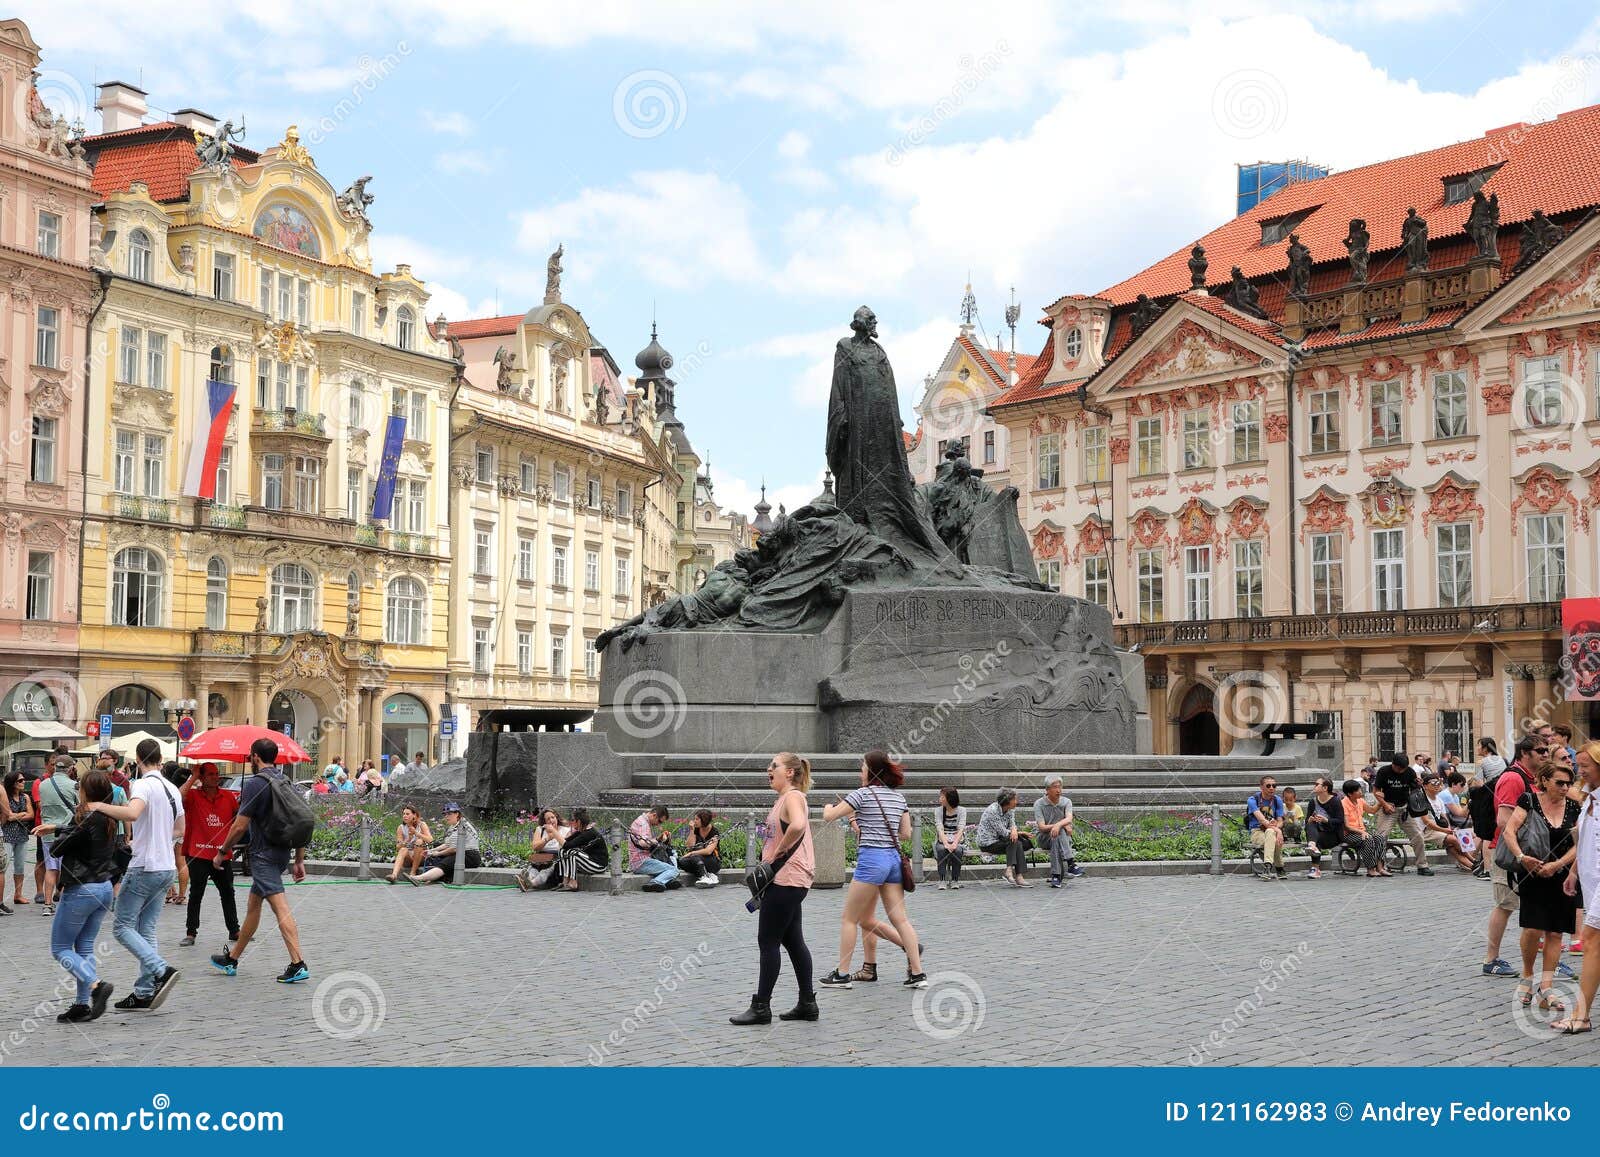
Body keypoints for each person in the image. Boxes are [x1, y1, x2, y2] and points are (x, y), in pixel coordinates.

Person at [88, 737, 184, 1011]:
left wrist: (99, 806)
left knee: (121, 927)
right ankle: (143, 992)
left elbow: (132, 813)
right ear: (159, 758)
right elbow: (180, 830)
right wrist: (157, 839)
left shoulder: (142, 784)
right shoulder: (172, 788)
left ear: (138, 760)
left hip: (144, 866)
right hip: (166, 867)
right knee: (146, 928)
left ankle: (161, 970)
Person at [818, 750, 926, 989]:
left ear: (871, 770)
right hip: (893, 861)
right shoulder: (899, 798)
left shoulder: (861, 795)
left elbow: (830, 816)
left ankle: (842, 973)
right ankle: (917, 973)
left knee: (849, 918)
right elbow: (906, 834)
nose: (861, 771)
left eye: (863, 767)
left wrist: (828, 806)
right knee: (900, 919)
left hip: (871, 861)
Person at [209, 737, 309, 984]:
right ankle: (232, 958)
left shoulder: (255, 784)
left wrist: (222, 851)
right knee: (254, 906)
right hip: (282, 851)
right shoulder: (284, 781)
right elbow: (300, 820)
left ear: (254, 756)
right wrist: (298, 859)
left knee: (280, 907)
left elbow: (239, 826)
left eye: (250, 756)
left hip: (263, 855)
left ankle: (298, 963)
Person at [730, 752, 817, 1025]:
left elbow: (799, 826)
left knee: (767, 942)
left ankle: (761, 1007)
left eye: (774, 766)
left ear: (790, 772)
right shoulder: (787, 798)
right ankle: (807, 1003)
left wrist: (776, 853)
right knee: (793, 942)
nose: (769, 769)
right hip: (792, 880)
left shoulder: (792, 797)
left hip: (785, 879)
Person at [33, 770, 118, 1023]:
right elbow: (82, 833)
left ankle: (96, 985)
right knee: (84, 947)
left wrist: (61, 827)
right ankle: (82, 1005)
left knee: (60, 948)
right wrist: (59, 825)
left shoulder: (85, 816)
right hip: (103, 888)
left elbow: (58, 848)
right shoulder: (109, 816)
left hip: (82, 890)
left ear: (85, 791)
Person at [1503, 751, 1582, 1013]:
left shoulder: (1574, 807)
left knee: (1556, 932)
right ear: (1545, 781)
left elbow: (1578, 844)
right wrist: (1522, 857)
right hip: (1533, 871)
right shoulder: (1529, 800)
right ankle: (1527, 976)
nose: (1565, 788)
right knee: (1533, 928)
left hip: (1561, 875)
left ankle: (1545, 986)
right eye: (1559, 782)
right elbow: (1509, 831)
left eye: (1568, 783)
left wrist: (1558, 865)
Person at [1483, 737, 1542, 978]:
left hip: (1527, 851)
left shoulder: (1531, 778)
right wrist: (1521, 849)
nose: (1545, 754)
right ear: (1525, 753)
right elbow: (1503, 820)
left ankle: (1549, 958)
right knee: (1505, 905)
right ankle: (1491, 959)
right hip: (1508, 851)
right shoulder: (1512, 778)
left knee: (1537, 904)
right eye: (1540, 750)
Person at [1554, 740, 1600, 1033]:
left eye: (1585, 766)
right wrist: (1572, 871)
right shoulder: (1589, 799)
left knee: (1592, 941)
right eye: (1578, 764)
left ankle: (1581, 1015)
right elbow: (1584, 840)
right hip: (1592, 881)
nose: (1579, 770)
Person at [178, 762, 240, 948]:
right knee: (196, 893)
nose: (216, 777)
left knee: (228, 892)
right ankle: (191, 932)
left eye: (216, 773)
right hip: (198, 852)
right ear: (203, 777)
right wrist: (193, 776)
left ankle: (234, 930)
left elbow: (238, 818)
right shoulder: (193, 796)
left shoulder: (228, 796)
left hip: (222, 853)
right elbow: (178, 796)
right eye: (211, 774)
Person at [1373, 752, 1432, 877]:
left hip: (1404, 809)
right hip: (1388, 808)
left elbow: (1414, 787)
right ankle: (1379, 866)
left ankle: (1422, 866)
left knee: (1418, 836)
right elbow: (1376, 791)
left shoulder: (1409, 772)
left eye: (1403, 768)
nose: (1401, 771)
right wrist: (1385, 804)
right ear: (1393, 764)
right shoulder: (1384, 771)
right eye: (1398, 768)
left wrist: (1418, 783)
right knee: (1381, 837)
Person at [35, 754, 80, 915]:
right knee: (67, 867)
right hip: (67, 832)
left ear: (55, 767)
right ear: (70, 769)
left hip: (47, 831)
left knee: (51, 868)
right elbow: (79, 808)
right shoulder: (74, 785)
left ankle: (47, 904)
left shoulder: (43, 785)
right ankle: (65, 902)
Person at [409, 802, 481, 885]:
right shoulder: (453, 826)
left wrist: (437, 854)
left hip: (470, 856)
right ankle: (433, 876)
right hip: (461, 853)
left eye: (449, 814)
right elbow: (447, 844)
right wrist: (432, 850)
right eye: (445, 814)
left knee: (447, 862)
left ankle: (420, 878)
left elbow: (453, 849)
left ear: (457, 814)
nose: (446, 817)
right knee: (436, 845)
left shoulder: (462, 826)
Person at [976, 789, 1034, 887]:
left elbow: (1012, 824)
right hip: (987, 843)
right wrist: (1019, 832)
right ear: (1007, 801)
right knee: (1014, 840)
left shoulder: (1010, 810)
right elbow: (1003, 832)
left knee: (1016, 841)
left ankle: (1012, 872)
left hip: (1002, 840)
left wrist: (1015, 830)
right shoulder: (992, 811)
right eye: (1014, 799)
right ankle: (1017, 876)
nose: (1016, 802)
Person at [1033, 774, 1084, 886]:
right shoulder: (1039, 804)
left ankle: (1055, 876)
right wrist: (1061, 825)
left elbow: (1069, 818)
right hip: (1044, 838)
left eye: (1060, 787)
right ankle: (1071, 863)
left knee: (1056, 835)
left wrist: (1058, 826)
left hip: (1061, 838)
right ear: (1047, 789)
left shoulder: (1066, 802)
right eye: (1055, 787)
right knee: (1058, 832)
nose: (1058, 790)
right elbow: (1042, 827)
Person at [1418, 772, 1475, 872]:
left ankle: (1472, 866)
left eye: (1438, 783)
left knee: (1453, 846)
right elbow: (1427, 822)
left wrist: (1448, 829)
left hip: (1440, 828)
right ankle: (1473, 859)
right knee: (1462, 836)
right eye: (1433, 783)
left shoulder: (1440, 799)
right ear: (1425, 786)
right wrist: (1471, 803)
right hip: (1425, 830)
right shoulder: (1423, 800)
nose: (1437, 786)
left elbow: (1445, 819)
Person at [547, 808, 609, 890]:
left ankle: (573, 883)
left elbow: (567, 845)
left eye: (573, 820)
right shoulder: (582, 831)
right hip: (588, 861)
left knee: (573, 853)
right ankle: (565, 881)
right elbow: (566, 842)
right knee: (563, 851)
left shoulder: (589, 833)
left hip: (598, 865)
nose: (571, 823)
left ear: (579, 822)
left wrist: (554, 831)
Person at [627, 805, 681, 892]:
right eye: (659, 821)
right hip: (641, 862)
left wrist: (658, 839)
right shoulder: (643, 824)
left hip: (640, 860)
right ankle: (655, 882)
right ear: (654, 815)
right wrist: (658, 841)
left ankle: (666, 882)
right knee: (674, 870)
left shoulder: (642, 820)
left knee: (670, 869)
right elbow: (643, 843)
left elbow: (644, 841)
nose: (658, 824)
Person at [1341, 779, 1388, 877]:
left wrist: (1381, 801)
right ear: (1350, 793)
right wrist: (1361, 832)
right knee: (1368, 840)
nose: (1361, 792)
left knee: (1379, 838)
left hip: (1361, 832)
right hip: (1349, 834)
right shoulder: (1343, 804)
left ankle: (1380, 867)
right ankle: (1370, 869)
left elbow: (1372, 810)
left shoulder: (1360, 801)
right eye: (1358, 790)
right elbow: (1347, 826)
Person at [1302, 776, 1345, 879]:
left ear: (1325, 788)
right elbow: (1307, 820)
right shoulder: (1313, 802)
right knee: (1310, 824)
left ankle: (1315, 868)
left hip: (1333, 835)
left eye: (1317, 784)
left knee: (1317, 839)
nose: (1315, 786)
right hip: (1317, 832)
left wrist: (1327, 820)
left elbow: (1340, 820)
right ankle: (1312, 846)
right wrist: (1311, 820)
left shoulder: (1335, 801)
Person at [1245, 774, 1287, 880]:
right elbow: (1262, 820)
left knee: (1270, 833)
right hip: (1257, 831)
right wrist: (1279, 831)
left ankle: (1267, 867)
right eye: (1268, 786)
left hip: (1271, 831)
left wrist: (1277, 827)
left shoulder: (1277, 800)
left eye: (1274, 785)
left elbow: (1280, 820)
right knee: (1271, 834)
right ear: (1261, 787)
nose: (1272, 788)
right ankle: (1279, 867)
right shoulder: (1253, 800)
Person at [513, 808, 565, 892]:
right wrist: (547, 838)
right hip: (541, 858)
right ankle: (526, 880)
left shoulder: (565, 830)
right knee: (534, 869)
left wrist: (554, 833)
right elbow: (535, 847)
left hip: (556, 859)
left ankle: (530, 883)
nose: (551, 820)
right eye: (548, 819)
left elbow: (566, 845)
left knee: (545, 871)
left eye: (553, 817)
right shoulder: (540, 829)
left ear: (557, 818)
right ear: (544, 821)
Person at [2, 771, 34, 907]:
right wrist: (22, 814)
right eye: (20, 781)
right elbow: (7, 817)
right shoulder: (5, 797)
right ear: (13, 783)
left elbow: (31, 815)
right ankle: (1, 898)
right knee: (3, 867)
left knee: (20, 867)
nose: (23, 782)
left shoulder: (25, 797)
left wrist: (16, 815)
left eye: (23, 780)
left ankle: (18, 894)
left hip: (22, 836)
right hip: (7, 836)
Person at [932, 787, 966, 889]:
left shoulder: (962, 810)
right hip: (943, 839)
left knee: (958, 850)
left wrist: (955, 843)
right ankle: (942, 880)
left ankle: (955, 880)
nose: (940, 799)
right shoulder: (938, 811)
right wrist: (946, 844)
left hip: (957, 838)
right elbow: (940, 828)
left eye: (942, 797)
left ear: (949, 798)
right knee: (941, 849)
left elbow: (961, 828)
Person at [680, 809, 722, 887]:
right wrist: (692, 830)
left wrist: (691, 853)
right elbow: (690, 846)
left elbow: (708, 851)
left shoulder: (714, 832)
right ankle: (708, 876)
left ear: (704, 820)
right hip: (697, 860)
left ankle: (704, 877)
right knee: (682, 862)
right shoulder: (696, 829)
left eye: (697, 819)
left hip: (712, 861)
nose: (694, 821)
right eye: (694, 819)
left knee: (694, 857)